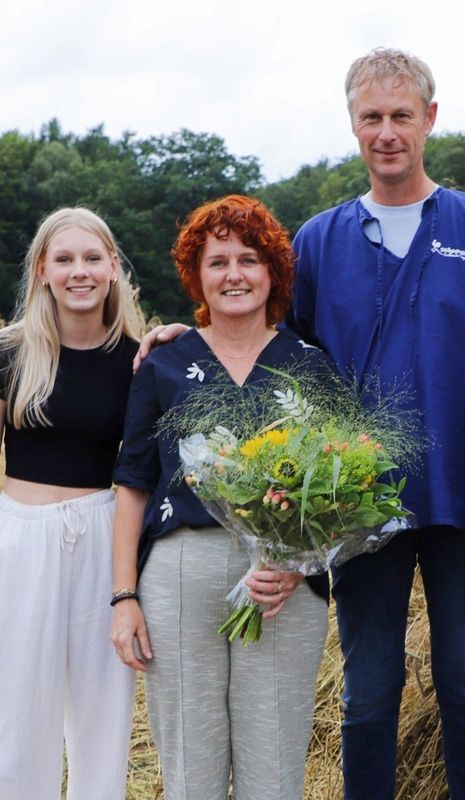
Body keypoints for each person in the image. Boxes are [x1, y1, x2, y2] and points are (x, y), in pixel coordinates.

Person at [290, 48, 465, 799]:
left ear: (430, 118)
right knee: (367, 696)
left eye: (401, 115)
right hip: (359, 508)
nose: (387, 131)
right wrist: (174, 336)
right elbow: (284, 363)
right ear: (353, 125)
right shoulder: (317, 242)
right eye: (372, 117)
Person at [110, 195, 330, 800]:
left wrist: (298, 564)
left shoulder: (310, 366)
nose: (234, 273)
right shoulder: (164, 363)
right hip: (182, 575)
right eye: (218, 261)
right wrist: (124, 596)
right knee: (190, 770)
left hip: (282, 583)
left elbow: (341, 489)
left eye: (249, 259)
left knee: (276, 770)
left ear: (273, 273)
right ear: (197, 275)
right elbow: (132, 482)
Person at [0, 207, 144, 799]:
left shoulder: (141, 361)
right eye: (64, 259)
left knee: (101, 717)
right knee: (17, 713)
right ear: (41, 271)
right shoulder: (11, 354)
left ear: (113, 267)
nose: (78, 271)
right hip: (20, 538)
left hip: (102, 535)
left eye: (92, 258)